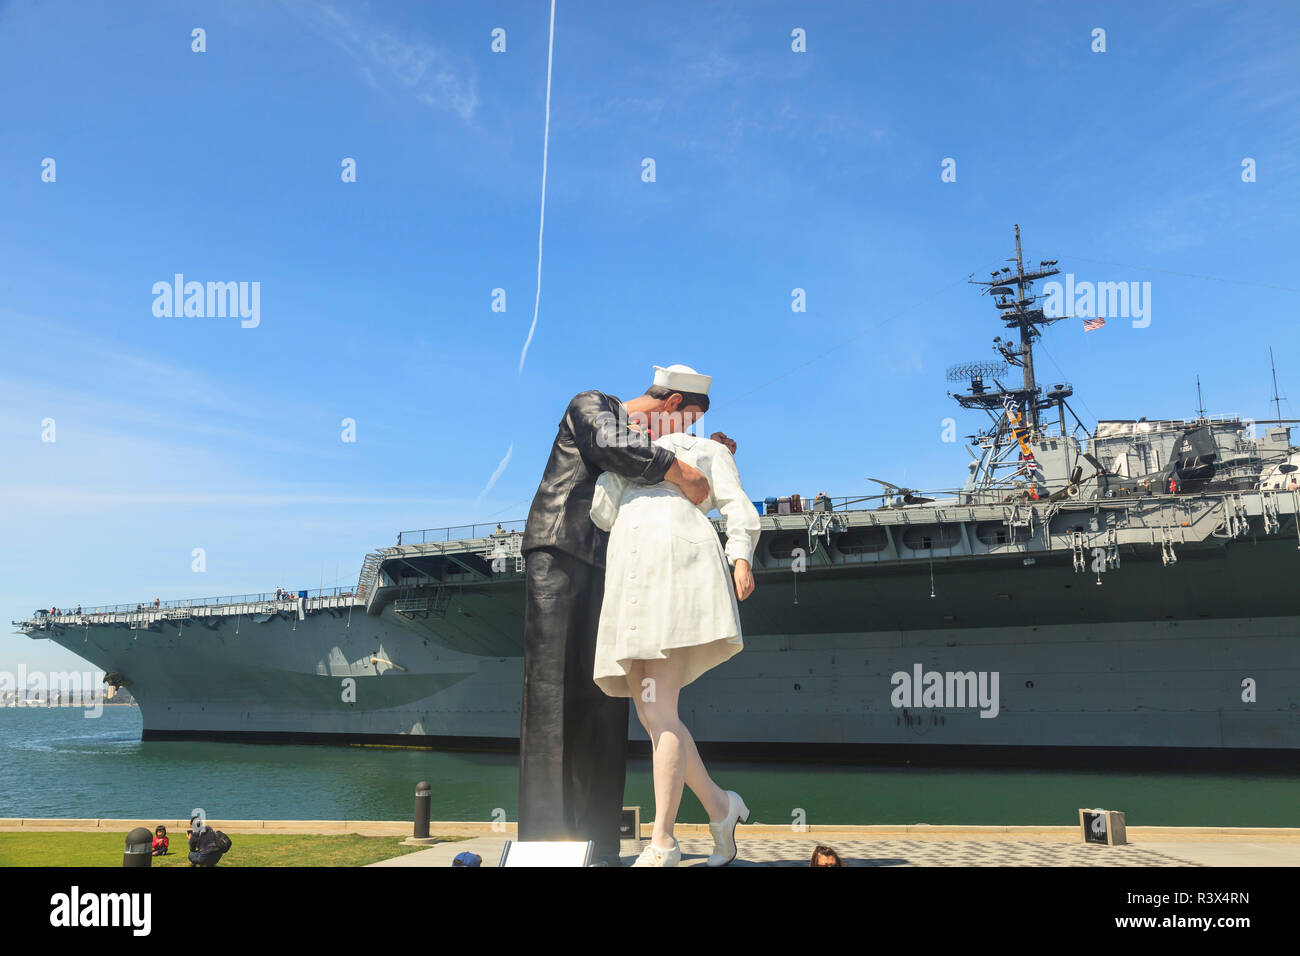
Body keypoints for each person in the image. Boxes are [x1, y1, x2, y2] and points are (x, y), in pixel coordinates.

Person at [518, 364, 712, 867]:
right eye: (685, 424)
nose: (683, 437)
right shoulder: (592, 404)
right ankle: (545, 847)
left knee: (609, 700)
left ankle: (599, 843)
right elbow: (611, 444)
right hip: (560, 553)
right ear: (671, 405)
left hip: (614, 566)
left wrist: (709, 460)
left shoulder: (649, 451)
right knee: (552, 696)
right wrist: (681, 469)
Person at [589, 369, 761, 867]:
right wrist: (618, 459)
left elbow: (735, 506)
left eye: (659, 403)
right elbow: (602, 511)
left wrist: (741, 555)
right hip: (632, 581)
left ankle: (662, 839)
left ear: (677, 404)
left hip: (676, 577)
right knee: (651, 713)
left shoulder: (710, 451)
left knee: (659, 710)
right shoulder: (634, 456)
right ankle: (720, 807)